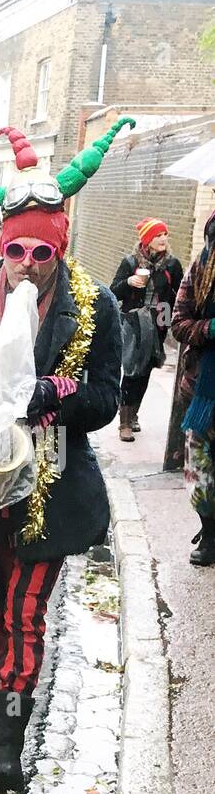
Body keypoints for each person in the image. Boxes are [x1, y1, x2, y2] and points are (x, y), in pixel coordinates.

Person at [0, 120, 129, 790]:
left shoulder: (95, 307)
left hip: (48, 485)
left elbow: (104, 398)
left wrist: (55, 394)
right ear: (0, 248)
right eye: (17, 249)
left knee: (23, 616)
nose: (29, 263)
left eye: (44, 251)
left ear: (59, 249)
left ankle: (9, 740)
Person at [110, 218, 184, 440]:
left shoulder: (172, 265)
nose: (163, 239)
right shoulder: (131, 262)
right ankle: (124, 422)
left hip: (158, 322)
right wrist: (129, 282)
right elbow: (113, 291)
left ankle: (134, 415)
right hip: (134, 321)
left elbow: (180, 294)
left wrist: (171, 321)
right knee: (132, 369)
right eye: (158, 235)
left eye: (165, 235)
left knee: (146, 370)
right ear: (147, 240)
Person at [171, 208, 215, 566]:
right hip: (203, 392)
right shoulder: (200, 270)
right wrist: (209, 329)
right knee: (200, 474)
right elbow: (179, 323)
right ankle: (209, 533)